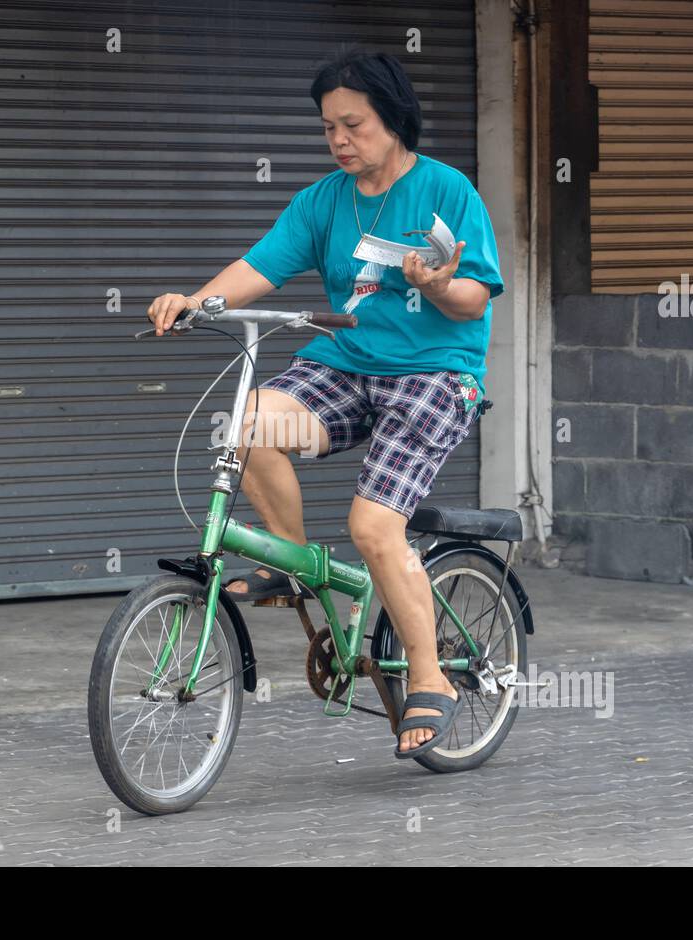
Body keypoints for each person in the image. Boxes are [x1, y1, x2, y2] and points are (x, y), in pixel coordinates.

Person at [145, 46, 504, 759]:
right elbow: (259, 266)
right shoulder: (322, 202)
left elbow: (471, 301)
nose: (340, 140)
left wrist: (434, 283)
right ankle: (294, 560)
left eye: (355, 125)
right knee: (246, 428)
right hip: (345, 363)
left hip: (435, 373)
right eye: (329, 128)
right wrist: (196, 300)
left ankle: (430, 677)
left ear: (393, 120)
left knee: (374, 527)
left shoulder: (446, 190)